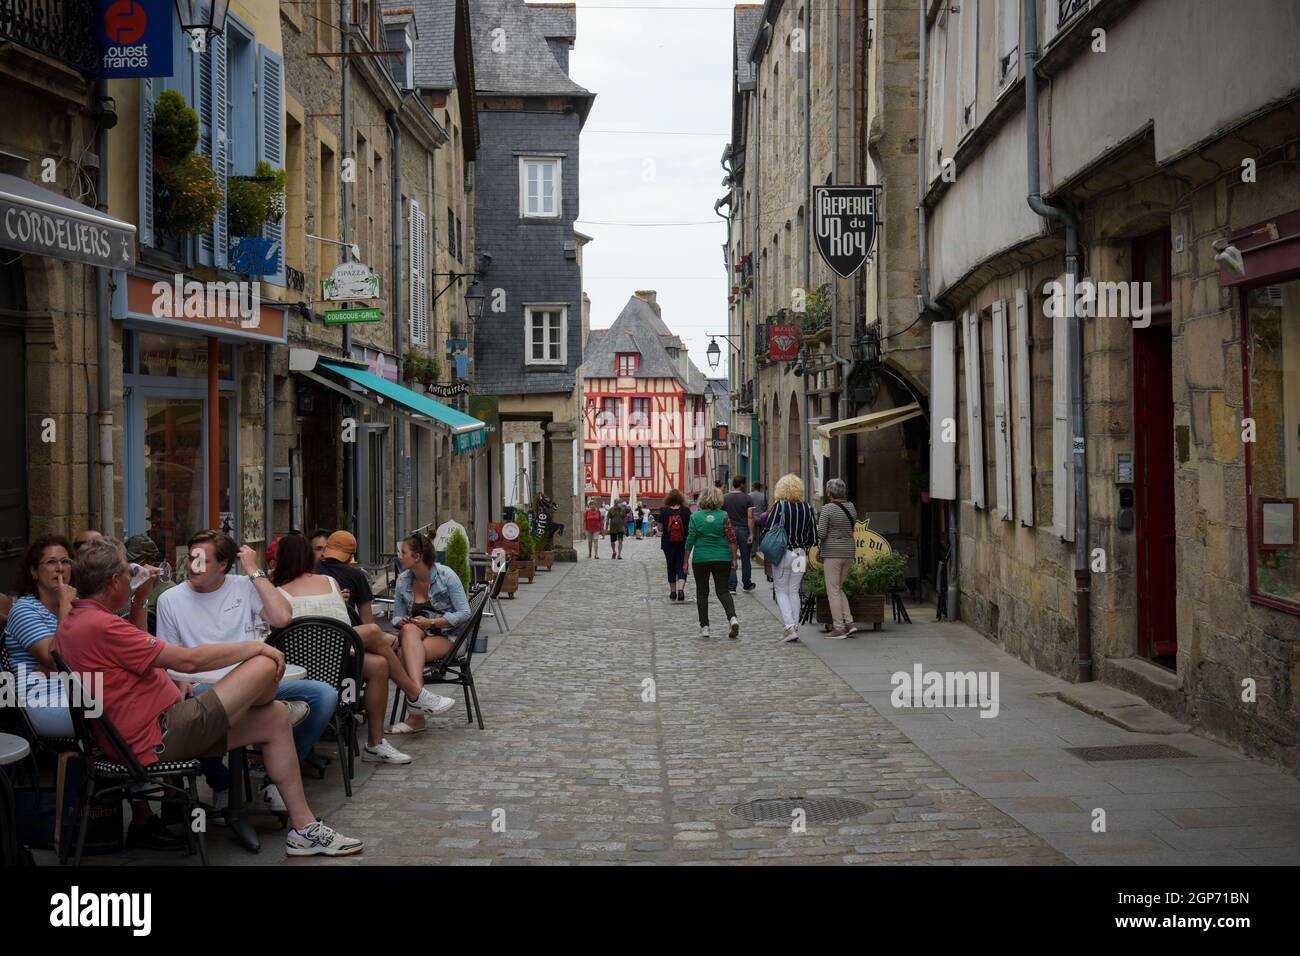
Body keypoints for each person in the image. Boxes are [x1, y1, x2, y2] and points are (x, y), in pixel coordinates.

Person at [58, 536, 363, 857]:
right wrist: (256, 647)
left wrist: (138, 600)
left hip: (153, 730)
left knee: (274, 717)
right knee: (262, 664)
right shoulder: (103, 626)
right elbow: (188, 661)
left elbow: (140, 645)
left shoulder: (80, 621)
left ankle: (303, 829)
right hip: (158, 736)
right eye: (128, 573)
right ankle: (255, 708)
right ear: (115, 581)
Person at [154, 530, 335, 810]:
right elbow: (170, 658)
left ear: (223, 564)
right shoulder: (171, 599)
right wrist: (179, 681)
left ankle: (271, 775)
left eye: (201, 560)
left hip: (257, 681)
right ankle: (222, 781)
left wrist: (254, 570)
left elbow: (282, 617)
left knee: (323, 695)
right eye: (191, 559)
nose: (193, 566)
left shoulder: (243, 586)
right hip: (205, 687)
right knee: (206, 703)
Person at [271, 533, 440, 762]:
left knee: (380, 664)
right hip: (321, 669)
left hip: (322, 663)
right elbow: (354, 622)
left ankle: (376, 743)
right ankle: (414, 693)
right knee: (372, 633)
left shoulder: (281, 591)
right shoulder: (325, 584)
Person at [391, 532, 467, 733]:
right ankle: (420, 698)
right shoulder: (402, 581)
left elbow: (464, 613)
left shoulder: (446, 575)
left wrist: (431, 622)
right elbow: (396, 617)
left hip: (448, 636)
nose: (399, 556)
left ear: (417, 557)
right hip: (416, 633)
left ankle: (416, 717)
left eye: (403, 552)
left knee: (401, 655)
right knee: (407, 629)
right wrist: (404, 621)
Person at [768, 473, 818, 643]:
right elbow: (813, 536)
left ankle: (789, 627)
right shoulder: (807, 507)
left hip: (783, 553)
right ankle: (794, 626)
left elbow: (770, 528)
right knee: (794, 590)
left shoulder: (780, 506)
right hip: (800, 553)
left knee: (781, 590)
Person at [684, 487, 740, 639]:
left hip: (701, 558)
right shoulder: (724, 515)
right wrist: (734, 558)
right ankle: (732, 618)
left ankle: (705, 627)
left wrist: (685, 561)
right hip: (722, 557)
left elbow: (690, 540)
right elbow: (732, 539)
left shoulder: (695, 517)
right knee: (723, 591)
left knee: (702, 592)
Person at [817, 478, 861, 639]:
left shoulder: (828, 509)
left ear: (830, 493)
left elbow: (821, 533)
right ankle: (850, 623)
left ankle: (839, 628)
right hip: (849, 551)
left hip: (833, 553)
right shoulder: (851, 507)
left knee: (833, 591)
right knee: (838, 588)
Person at [125, 533, 177, 615]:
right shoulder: (130, 585)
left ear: (150, 561)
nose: (130, 567)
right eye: (127, 562)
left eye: (134, 562)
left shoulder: (167, 590)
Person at [723, 476, 756, 594]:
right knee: (746, 557)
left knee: (731, 557)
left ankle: (732, 585)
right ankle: (746, 583)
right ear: (741, 484)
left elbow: (722, 516)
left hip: (729, 529)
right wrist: (751, 534)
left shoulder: (725, 498)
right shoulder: (748, 498)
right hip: (743, 530)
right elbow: (750, 517)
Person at [658, 489, 691, 602]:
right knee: (682, 564)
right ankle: (681, 590)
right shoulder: (686, 511)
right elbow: (690, 528)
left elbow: (660, 529)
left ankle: (673, 591)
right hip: (683, 542)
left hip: (668, 543)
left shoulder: (664, 511)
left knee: (670, 565)